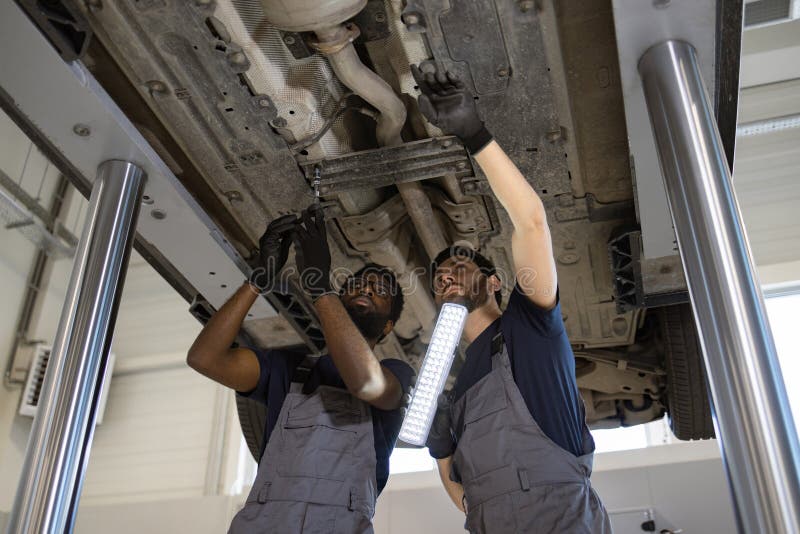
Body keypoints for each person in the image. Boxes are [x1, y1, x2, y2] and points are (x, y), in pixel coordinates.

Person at [412, 65, 612, 533]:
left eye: (460, 265)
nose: (447, 274)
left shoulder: (530, 327)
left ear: (496, 283)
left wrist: (473, 133)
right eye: (440, 275)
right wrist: (442, 456)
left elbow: (532, 224)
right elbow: (467, 500)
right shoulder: (458, 388)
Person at [187, 206, 414, 533]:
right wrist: (258, 280)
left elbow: (366, 384)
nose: (366, 289)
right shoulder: (287, 369)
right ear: (342, 298)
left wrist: (321, 288)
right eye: (359, 284)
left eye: (380, 291)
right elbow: (204, 358)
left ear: (389, 327)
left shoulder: (396, 373)